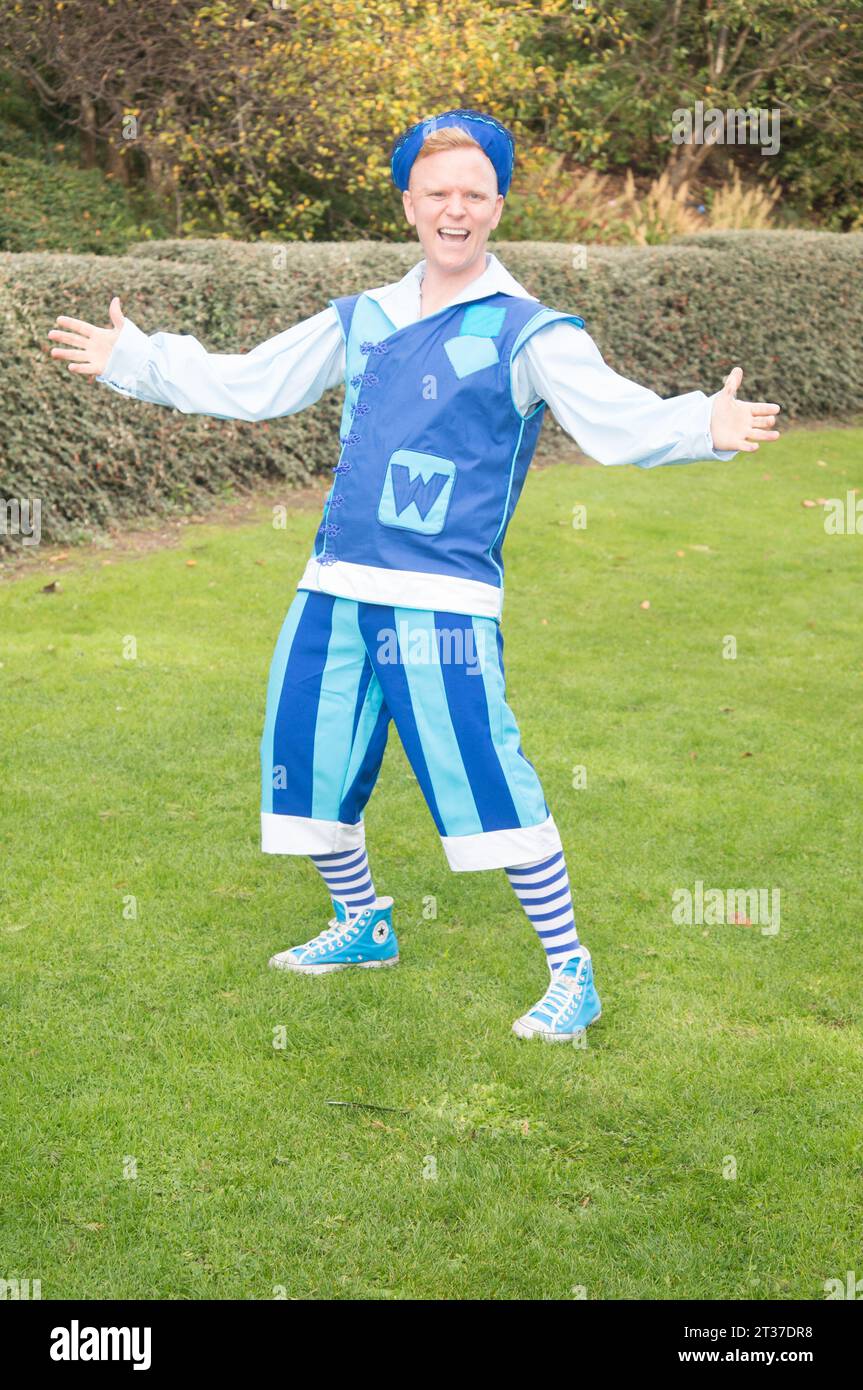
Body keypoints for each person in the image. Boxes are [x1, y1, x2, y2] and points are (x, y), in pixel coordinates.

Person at [47, 108, 781, 1042]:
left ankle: (571, 971)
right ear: (408, 205)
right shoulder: (363, 319)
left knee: (484, 774)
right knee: (304, 754)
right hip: (336, 581)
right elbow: (253, 382)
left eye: (474, 193)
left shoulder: (531, 332)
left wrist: (695, 427)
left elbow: (614, 417)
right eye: (437, 192)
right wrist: (136, 361)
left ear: (498, 206)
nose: (456, 209)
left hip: (442, 598)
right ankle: (363, 922)